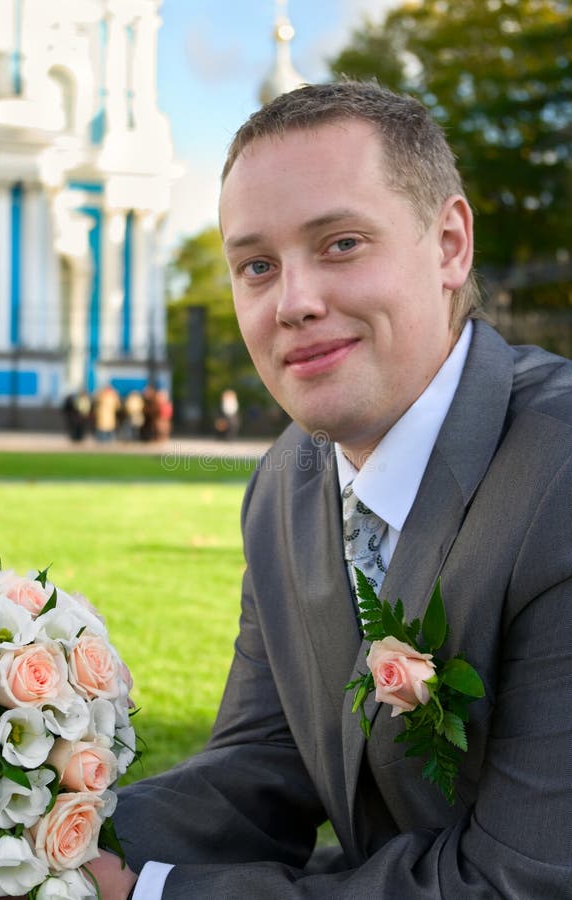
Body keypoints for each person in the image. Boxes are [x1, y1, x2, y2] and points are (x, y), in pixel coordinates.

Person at [89, 81, 572, 898]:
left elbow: (518, 882)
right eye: (256, 266)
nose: (295, 302)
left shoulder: (558, 478)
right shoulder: (286, 479)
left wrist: (150, 894)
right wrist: (26, 833)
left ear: (450, 244)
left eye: (342, 243)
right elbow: (258, 769)